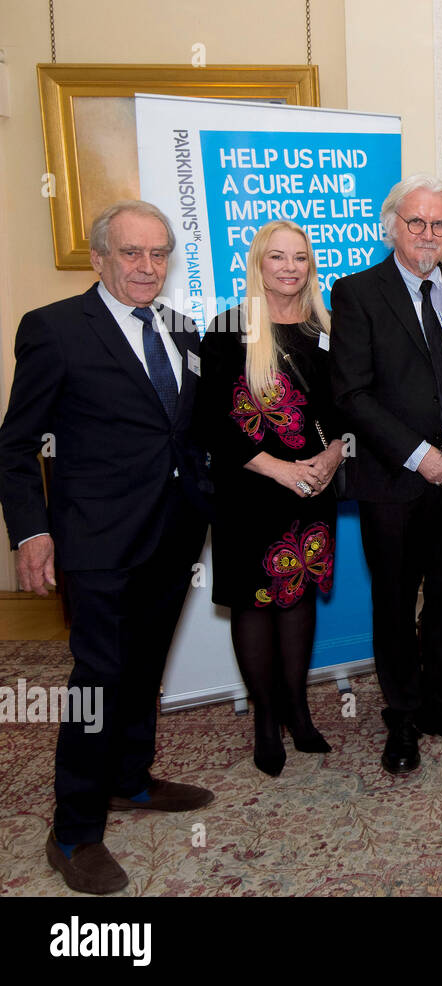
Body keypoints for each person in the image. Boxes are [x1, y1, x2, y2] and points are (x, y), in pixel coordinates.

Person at [0, 201, 213, 894]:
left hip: (173, 530)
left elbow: (186, 433)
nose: (147, 266)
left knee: (145, 662)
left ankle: (130, 780)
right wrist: (31, 531)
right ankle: (74, 830)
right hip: (94, 538)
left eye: (158, 254)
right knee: (98, 676)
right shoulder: (55, 330)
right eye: (131, 253)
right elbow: (16, 446)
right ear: (99, 259)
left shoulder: (184, 331)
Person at [330, 175, 442, 774]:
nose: (429, 234)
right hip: (396, 480)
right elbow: (351, 393)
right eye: (417, 223)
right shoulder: (357, 293)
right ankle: (402, 716)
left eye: (439, 225)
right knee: (396, 602)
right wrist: (420, 455)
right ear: (392, 227)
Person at [199, 220, 344, 777]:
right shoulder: (229, 329)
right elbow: (215, 422)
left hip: (313, 487)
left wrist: (331, 459)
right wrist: (280, 470)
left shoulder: (326, 328)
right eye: (277, 257)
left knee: (299, 596)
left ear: (311, 266)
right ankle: (265, 720)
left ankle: (299, 711)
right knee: (255, 603)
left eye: (300, 258)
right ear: (258, 264)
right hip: (250, 492)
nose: (290, 267)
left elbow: (345, 411)